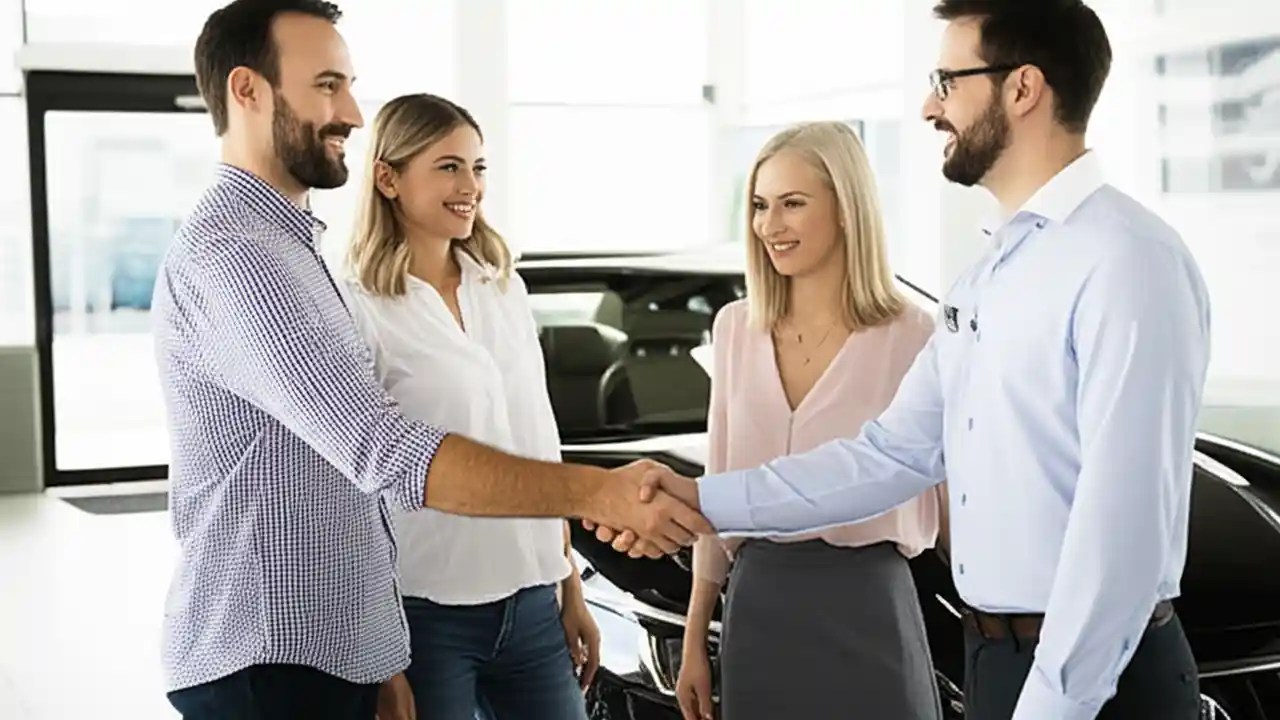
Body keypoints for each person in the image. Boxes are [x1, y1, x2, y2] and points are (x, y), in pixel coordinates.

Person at [608, 1, 1212, 718]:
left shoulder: (1126, 260)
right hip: (1000, 662)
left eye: (947, 81)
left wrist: (1049, 706)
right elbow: (889, 456)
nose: (930, 107)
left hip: (1092, 684)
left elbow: (1123, 534)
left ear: (1022, 89)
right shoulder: (991, 274)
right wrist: (701, 498)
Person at [153, 2, 708, 719]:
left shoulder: (291, 248)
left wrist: (383, 648)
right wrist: (595, 492)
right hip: (273, 657)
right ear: (247, 90)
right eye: (327, 85)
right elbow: (382, 450)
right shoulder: (241, 255)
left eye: (349, 84)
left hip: (329, 647)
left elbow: (353, 485)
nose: (352, 111)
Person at [674, 122, 944, 720]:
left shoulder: (914, 335)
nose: (769, 225)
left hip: (870, 601)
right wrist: (697, 636)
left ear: (847, 208)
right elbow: (717, 489)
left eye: (792, 204)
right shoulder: (734, 330)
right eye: (760, 206)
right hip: (760, 605)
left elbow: (952, 497)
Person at [341, 92, 596, 720]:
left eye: (478, 168)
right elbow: (352, 487)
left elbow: (538, 441)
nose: (471, 186)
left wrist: (569, 586)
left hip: (533, 598)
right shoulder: (356, 301)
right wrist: (379, 657)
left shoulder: (502, 285)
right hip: (425, 614)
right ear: (388, 178)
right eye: (449, 166)